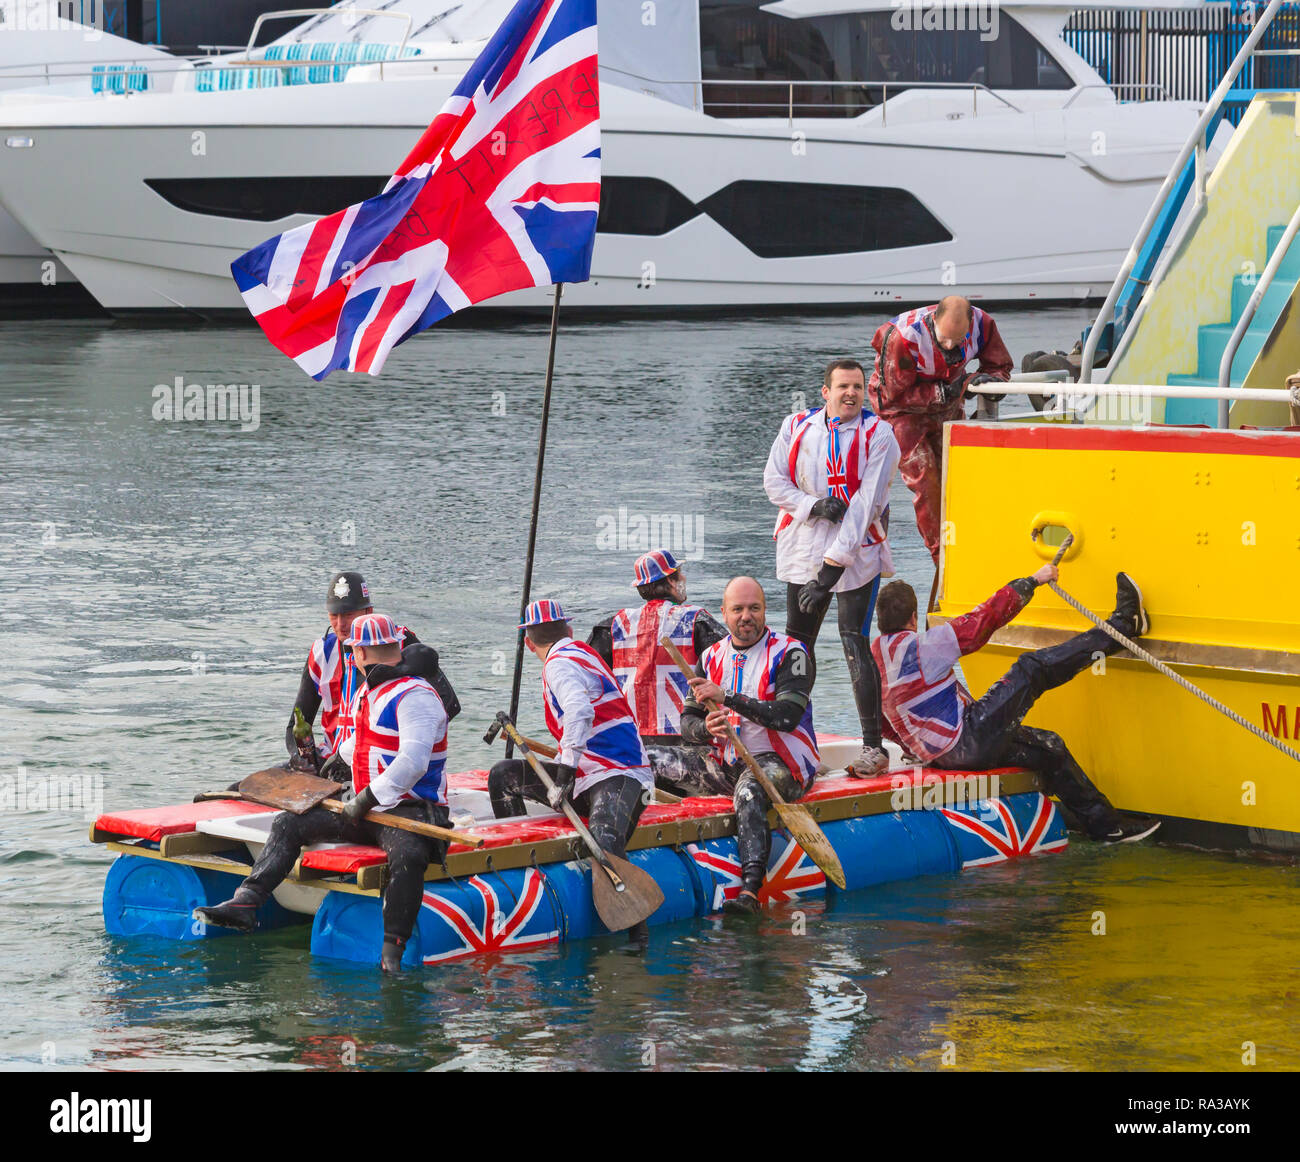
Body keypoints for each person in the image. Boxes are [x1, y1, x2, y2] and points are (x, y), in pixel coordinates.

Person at [195, 614, 454, 973]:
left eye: (354, 652)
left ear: (360, 653)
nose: (351, 657)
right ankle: (247, 901)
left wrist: (364, 800)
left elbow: (412, 762)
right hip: (366, 808)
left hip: (411, 811)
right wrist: (336, 760)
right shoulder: (370, 690)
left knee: (408, 856)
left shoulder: (416, 696)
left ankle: (392, 952)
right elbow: (363, 739)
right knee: (289, 823)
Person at [872, 568, 1160, 842]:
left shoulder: (874, 657)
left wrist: (919, 749)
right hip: (968, 740)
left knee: (1050, 747)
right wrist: (1033, 580)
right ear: (913, 617)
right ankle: (1124, 624)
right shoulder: (923, 647)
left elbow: (882, 722)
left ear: (880, 621)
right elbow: (982, 620)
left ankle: (1107, 827)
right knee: (1030, 669)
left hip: (944, 756)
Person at [764, 358, 900, 776]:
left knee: (853, 642)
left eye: (858, 387)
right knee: (796, 645)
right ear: (825, 391)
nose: (851, 394)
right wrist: (812, 505)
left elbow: (864, 508)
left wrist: (830, 573)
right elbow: (773, 482)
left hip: (857, 555)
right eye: (843, 386)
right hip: (802, 548)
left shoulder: (880, 435)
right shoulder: (796, 427)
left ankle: (873, 748)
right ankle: (794, 735)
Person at [488, 600, 655, 937]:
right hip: (589, 774)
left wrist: (562, 775)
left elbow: (579, 713)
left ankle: (636, 929)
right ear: (569, 630)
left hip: (618, 772)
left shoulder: (559, 665)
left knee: (604, 839)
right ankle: (520, 866)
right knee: (503, 775)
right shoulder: (581, 652)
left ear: (528, 643)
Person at [663, 577, 819, 916]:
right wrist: (705, 729)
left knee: (749, 790)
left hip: (784, 763)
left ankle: (749, 890)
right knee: (652, 759)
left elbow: (787, 717)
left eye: (754, 609)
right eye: (738, 610)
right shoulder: (709, 657)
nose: (746, 616)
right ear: (724, 613)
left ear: (765, 611)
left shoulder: (792, 653)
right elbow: (687, 724)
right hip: (727, 761)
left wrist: (727, 698)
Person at [866, 296, 1013, 565]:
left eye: (957, 340)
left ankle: (970, 540)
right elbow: (893, 396)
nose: (949, 345)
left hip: (947, 404)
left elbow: (1000, 365)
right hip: (902, 413)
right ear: (934, 320)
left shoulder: (983, 324)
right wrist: (944, 392)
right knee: (925, 480)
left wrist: (988, 383)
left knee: (957, 474)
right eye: (944, 338)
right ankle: (940, 554)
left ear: (969, 326)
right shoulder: (903, 337)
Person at [286, 570, 419, 778]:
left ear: (369, 612)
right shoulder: (322, 651)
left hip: (379, 763)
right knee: (241, 788)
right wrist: (297, 757)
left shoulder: (399, 641)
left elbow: (446, 705)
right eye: (334, 616)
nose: (341, 625)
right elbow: (298, 721)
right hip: (331, 762)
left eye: (348, 615)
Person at [588, 549, 726, 750]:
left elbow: (588, 680)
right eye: (680, 573)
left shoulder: (612, 626)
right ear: (671, 581)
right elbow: (732, 664)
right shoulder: (695, 620)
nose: (684, 578)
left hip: (630, 741)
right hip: (688, 738)